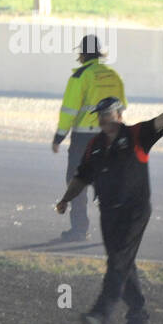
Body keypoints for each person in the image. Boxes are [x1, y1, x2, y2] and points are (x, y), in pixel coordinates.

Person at [56, 97, 163, 324]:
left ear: (119, 115)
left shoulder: (137, 135)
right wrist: (65, 199)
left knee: (118, 262)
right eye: (101, 115)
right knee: (123, 264)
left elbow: (161, 121)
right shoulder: (95, 145)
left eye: (109, 114)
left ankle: (100, 314)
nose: (104, 119)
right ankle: (139, 318)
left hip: (134, 210)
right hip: (109, 212)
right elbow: (82, 177)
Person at [52, 34, 126, 242]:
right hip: (110, 136)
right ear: (100, 53)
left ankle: (79, 229)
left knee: (77, 181)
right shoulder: (113, 75)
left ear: (82, 54)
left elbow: (69, 110)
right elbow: (123, 107)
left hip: (84, 138)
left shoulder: (80, 76)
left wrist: (59, 136)